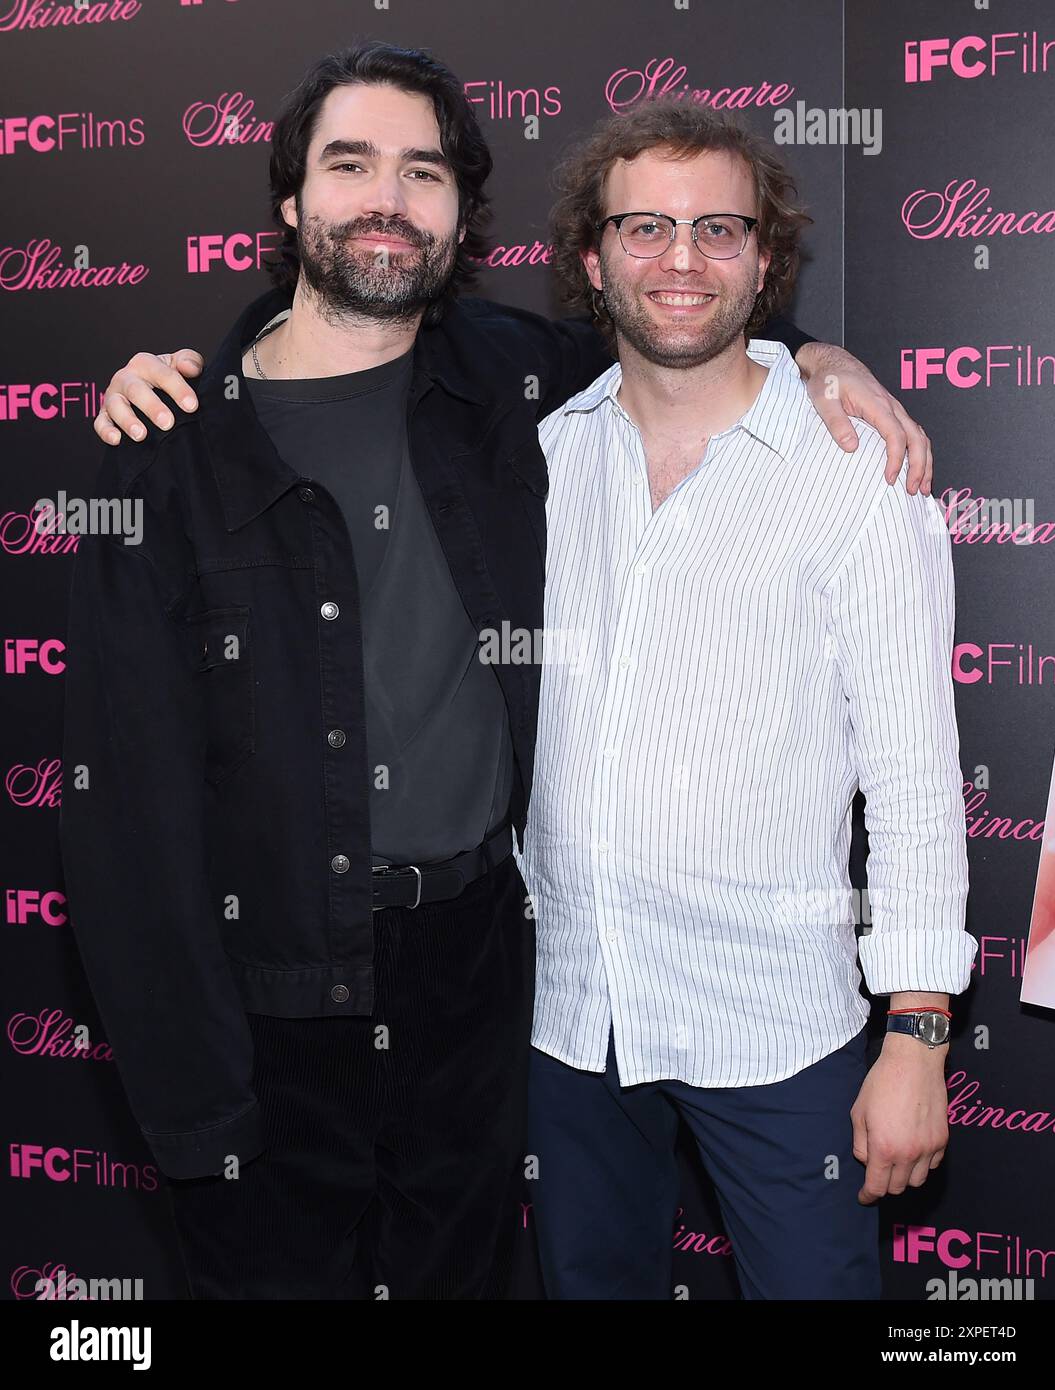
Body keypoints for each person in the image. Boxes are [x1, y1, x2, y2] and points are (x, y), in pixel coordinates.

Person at [66, 40, 932, 1301]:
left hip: (482, 984)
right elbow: (124, 813)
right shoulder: (171, 451)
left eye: (422, 172)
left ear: (464, 214)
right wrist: (195, 1112)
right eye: (349, 163)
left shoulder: (516, 384)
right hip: (274, 1001)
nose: (386, 197)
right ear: (289, 202)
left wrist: (813, 357)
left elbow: (678, 312)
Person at [516, 100, 977, 1300]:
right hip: (573, 1009)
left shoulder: (857, 475)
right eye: (646, 228)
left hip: (774, 1026)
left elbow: (917, 774)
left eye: (718, 228)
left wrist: (917, 1034)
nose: (680, 260)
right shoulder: (542, 458)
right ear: (590, 256)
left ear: (766, 259)